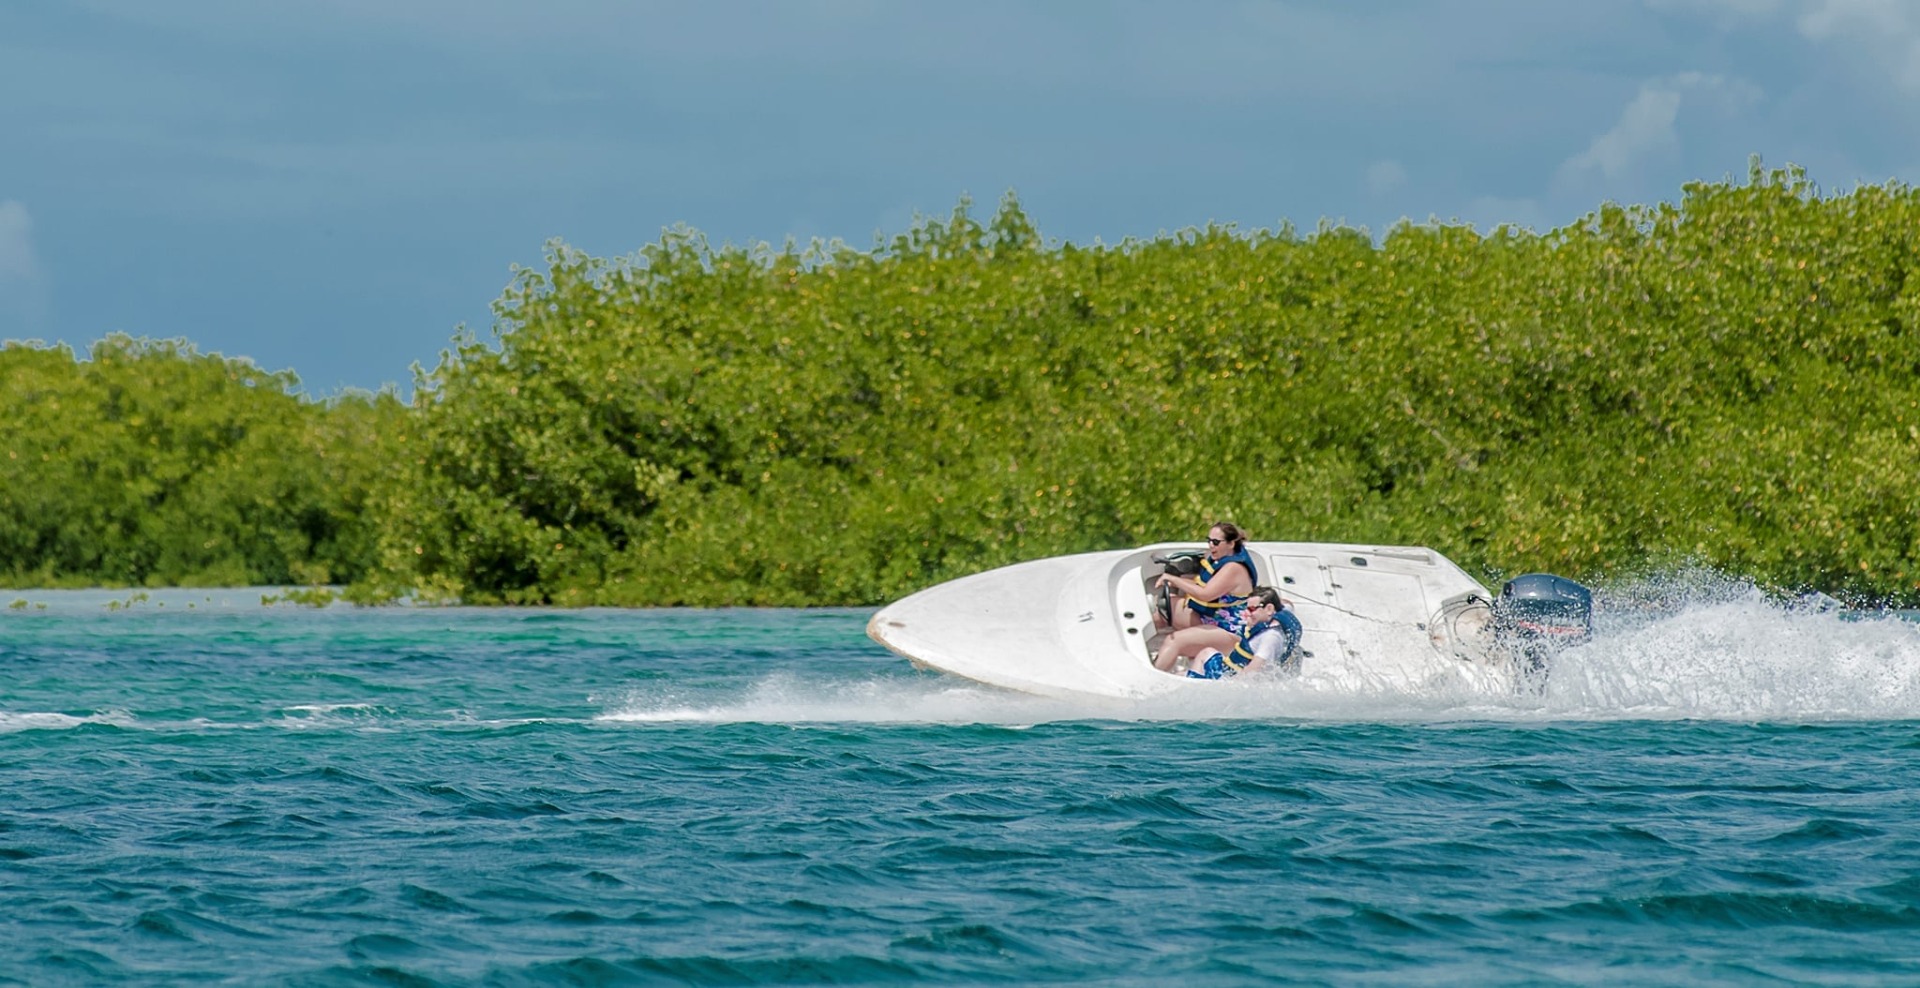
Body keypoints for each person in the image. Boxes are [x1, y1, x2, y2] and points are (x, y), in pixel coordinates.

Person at [1153, 586, 1302, 679]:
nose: (1246, 613)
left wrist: (1225, 686)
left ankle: (1194, 683)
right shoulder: (1282, 613)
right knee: (1207, 652)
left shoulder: (1270, 638)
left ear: (1269, 609)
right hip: (1232, 666)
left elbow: (1253, 671)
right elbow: (1287, 604)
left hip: (1230, 677)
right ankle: (1195, 678)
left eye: (1251, 609)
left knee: (1185, 672)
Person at [1157, 522, 1257, 633]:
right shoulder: (1226, 562)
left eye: (1215, 542)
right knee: (1170, 601)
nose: (1210, 545)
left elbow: (1205, 594)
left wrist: (1173, 579)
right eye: (1208, 540)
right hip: (1215, 615)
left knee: (1167, 607)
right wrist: (1176, 582)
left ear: (1231, 544)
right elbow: (1203, 585)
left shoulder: (1233, 568)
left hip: (1228, 625)